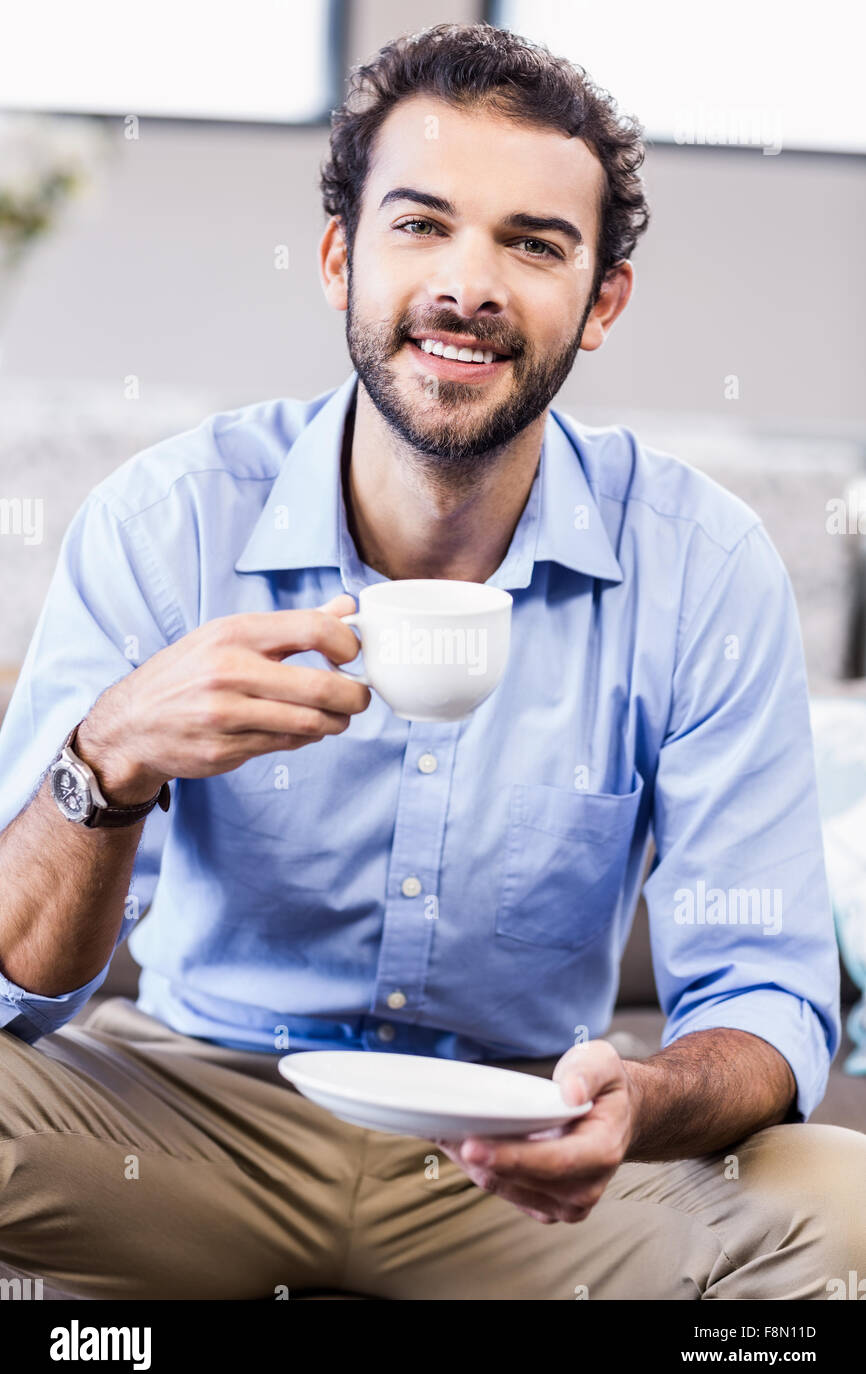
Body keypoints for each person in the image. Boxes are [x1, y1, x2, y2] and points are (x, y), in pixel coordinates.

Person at [0, 22, 863, 1301]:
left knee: (835, 1208)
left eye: (532, 242)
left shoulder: (698, 564)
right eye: (420, 225)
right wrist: (104, 760)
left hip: (520, 1148)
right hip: (187, 1113)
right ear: (341, 256)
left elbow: (765, 991)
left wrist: (643, 1099)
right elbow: (20, 995)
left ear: (601, 301)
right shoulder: (168, 519)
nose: (468, 285)